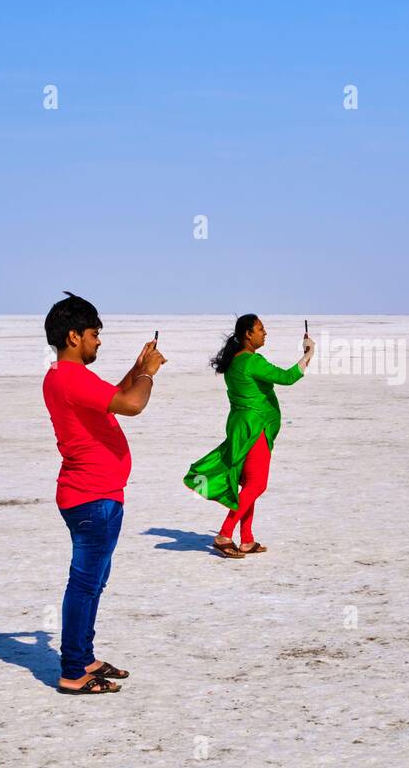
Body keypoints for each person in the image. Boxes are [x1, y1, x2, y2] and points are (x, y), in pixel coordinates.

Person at [42, 292, 165, 695]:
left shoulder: (65, 377)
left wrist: (136, 367)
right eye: (95, 334)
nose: (98, 342)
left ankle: (83, 654)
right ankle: (73, 670)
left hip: (98, 494)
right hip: (91, 497)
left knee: (94, 581)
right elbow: (131, 404)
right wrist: (146, 375)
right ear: (74, 336)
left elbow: (109, 400)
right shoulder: (71, 377)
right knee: (84, 582)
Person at [184, 315, 314, 558]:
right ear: (247, 334)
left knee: (248, 485)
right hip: (255, 429)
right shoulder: (251, 361)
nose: (265, 333)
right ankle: (224, 534)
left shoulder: (235, 362)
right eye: (260, 329)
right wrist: (308, 355)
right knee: (256, 485)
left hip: (241, 427)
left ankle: (247, 539)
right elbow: (287, 377)